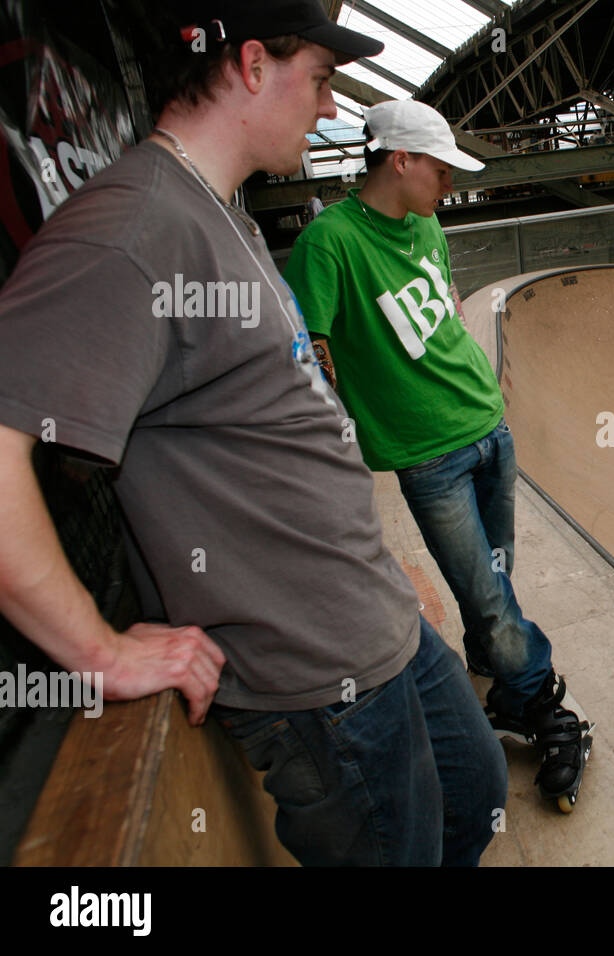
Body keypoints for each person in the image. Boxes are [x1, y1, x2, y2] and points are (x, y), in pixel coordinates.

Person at [0, 1, 506, 866]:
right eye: (320, 78)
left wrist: (384, 573)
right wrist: (96, 650)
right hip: (311, 676)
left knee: (476, 795)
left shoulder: (219, 211)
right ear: (252, 65)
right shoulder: (133, 229)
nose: (333, 108)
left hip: (373, 621)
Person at [282, 99, 593, 811]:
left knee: (498, 575)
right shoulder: (329, 243)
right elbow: (309, 357)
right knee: (485, 596)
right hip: (428, 456)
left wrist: (486, 380)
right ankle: (545, 706)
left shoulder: (426, 222)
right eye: (441, 170)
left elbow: (445, 306)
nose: (449, 186)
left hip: (487, 427)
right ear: (401, 161)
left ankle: (497, 668)